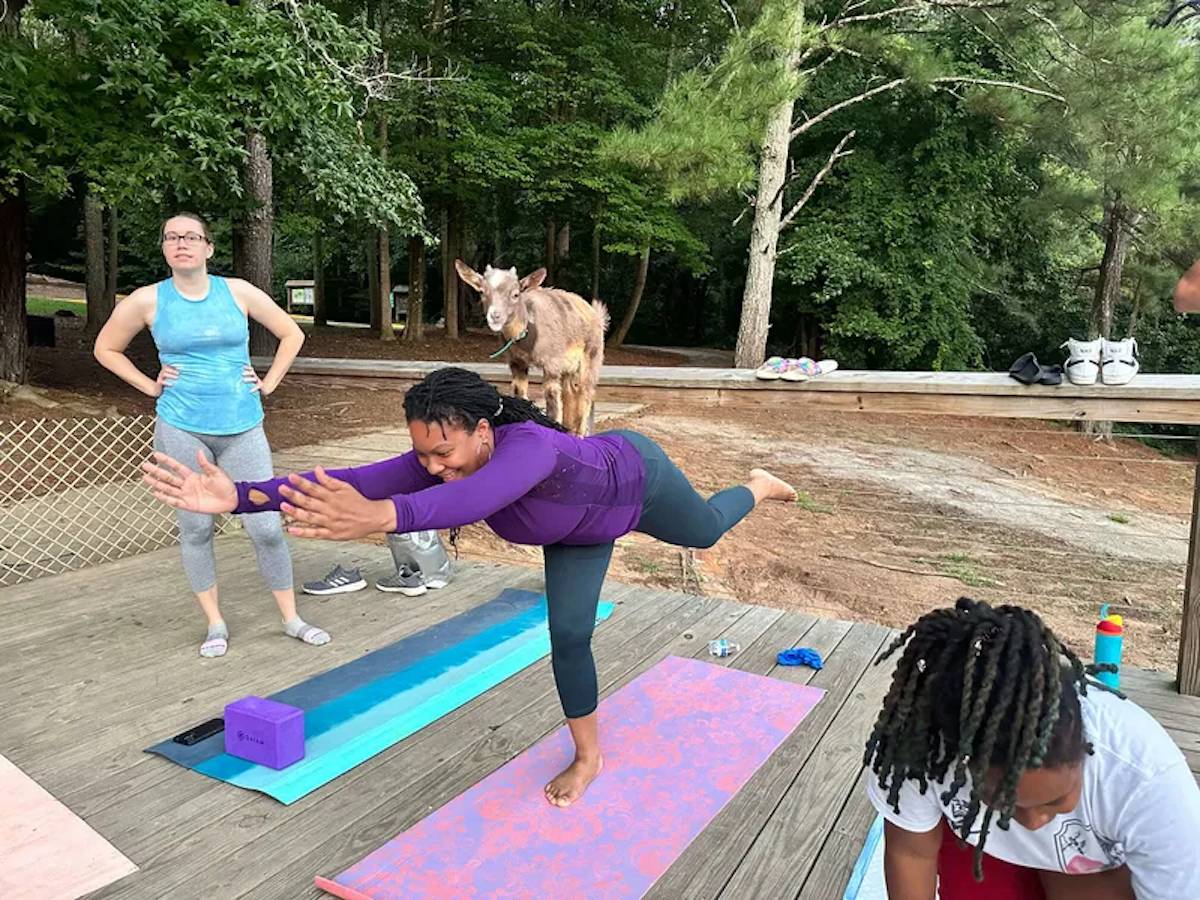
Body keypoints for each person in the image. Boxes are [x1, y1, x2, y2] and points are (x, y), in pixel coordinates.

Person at [141, 366, 796, 806]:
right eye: (423, 454)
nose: (433, 468)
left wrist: (386, 518)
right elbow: (354, 479)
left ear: (484, 432)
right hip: (581, 534)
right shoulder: (441, 462)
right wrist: (240, 495)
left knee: (705, 530)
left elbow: (473, 497)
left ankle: (759, 484)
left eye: (444, 453)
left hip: (635, 481)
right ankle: (589, 756)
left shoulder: (529, 448)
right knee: (569, 634)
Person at [94, 212, 329, 658]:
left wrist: (271, 381)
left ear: (208, 247)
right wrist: (151, 385)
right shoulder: (147, 301)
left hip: (243, 426)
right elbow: (105, 348)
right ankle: (215, 623)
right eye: (172, 237)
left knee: (265, 526)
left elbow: (290, 332)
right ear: (164, 248)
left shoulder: (236, 291)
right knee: (196, 527)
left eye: (191, 236)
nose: (181, 243)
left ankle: (292, 619)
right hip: (181, 426)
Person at [863, 597, 1200, 900]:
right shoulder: (923, 746)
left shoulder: (1147, 778)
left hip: (1092, 866)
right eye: (1003, 800)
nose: (1034, 822)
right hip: (981, 848)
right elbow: (912, 854)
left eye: (1054, 800)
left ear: (1085, 752)